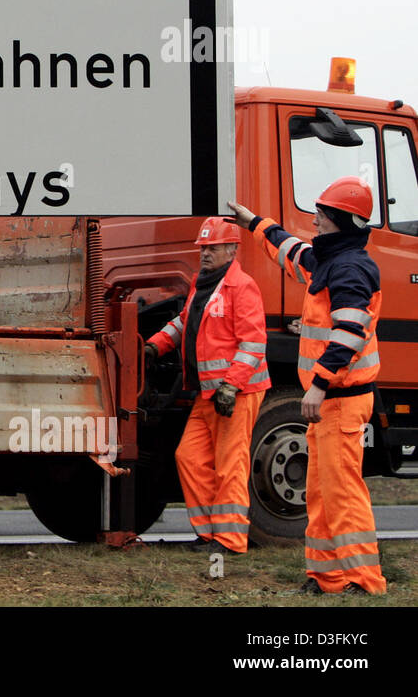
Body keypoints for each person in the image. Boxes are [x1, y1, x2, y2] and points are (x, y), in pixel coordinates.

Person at [228, 177, 386, 595]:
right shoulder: (333, 259)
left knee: (341, 493)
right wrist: (256, 223)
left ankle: (364, 580)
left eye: (323, 213)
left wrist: (317, 386)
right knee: (320, 494)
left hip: (339, 400)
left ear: (341, 220)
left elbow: (349, 334)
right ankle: (328, 577)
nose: (315, 218)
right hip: (333, 402)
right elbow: (291, 250)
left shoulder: (349, 267)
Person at [144, 217, 269, 553]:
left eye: (212, 248)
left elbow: (254, 343)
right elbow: (185, 323)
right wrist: (156, 345)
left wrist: (232, 386)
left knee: (230, 465)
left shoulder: (242, 287)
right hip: (209, 393)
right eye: (203, 248)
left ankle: (229, 541)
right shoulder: (203, 285)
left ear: (232, 249)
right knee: (189, 458)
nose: (205, 254)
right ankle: (208, 534)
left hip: (236, 394)